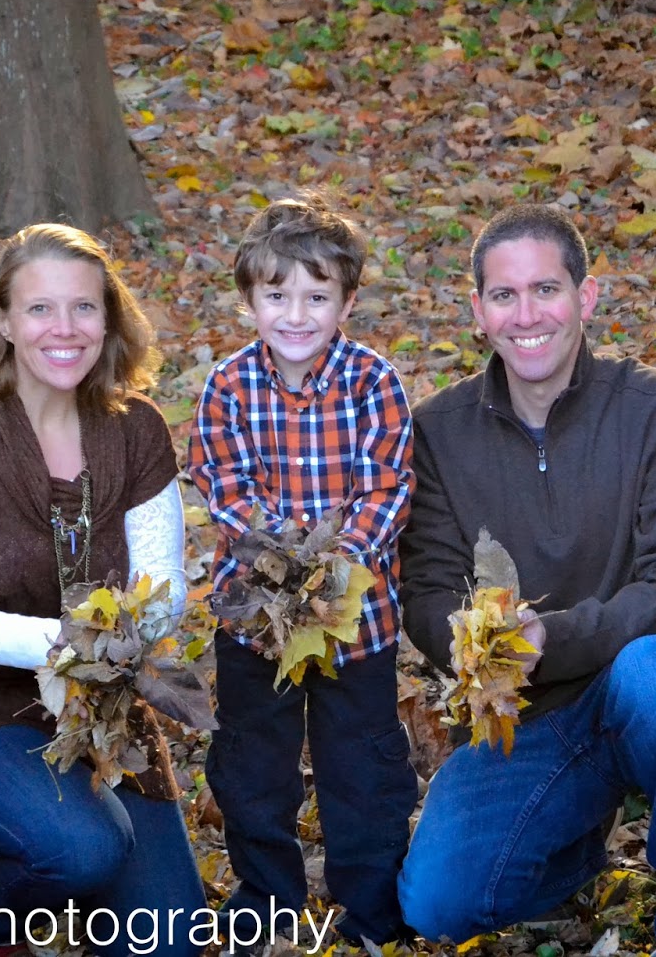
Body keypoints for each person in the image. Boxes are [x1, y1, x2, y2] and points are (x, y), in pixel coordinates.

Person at [395, 204, 656, 957]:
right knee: (438, 902)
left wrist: (553, 637)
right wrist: (487, 648)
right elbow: (427, 591)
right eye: (505, 295)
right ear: (478, 312)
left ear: (586, 298)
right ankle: (576, 835)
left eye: (547, 289)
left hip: (653, 688)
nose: (527, 314)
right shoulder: (437, 431)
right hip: (531, 712)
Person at [0, 224, 206, 957]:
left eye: (84, 308)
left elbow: (163, 584)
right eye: (40, 309)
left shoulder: (136, 429)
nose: (65, 329)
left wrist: (126, 637)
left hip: (99, 718)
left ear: (109, 319)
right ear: (1, 319)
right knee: (85, 847)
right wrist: (59, 644)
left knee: (172, 943)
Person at [187, 196, 419, 951]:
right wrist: (284, 567)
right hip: (257, 623)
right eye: (276, 294)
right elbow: (225, 486)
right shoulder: (227, 387)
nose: (296, 314)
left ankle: (370, 911)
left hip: (359, 621)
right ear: (250, 297)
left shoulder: (373, 381)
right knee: (254, 767)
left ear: (347, 301)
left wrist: (334, 568)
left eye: (317, 296)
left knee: (364, 770)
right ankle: (266, 896)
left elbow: (387, 486)